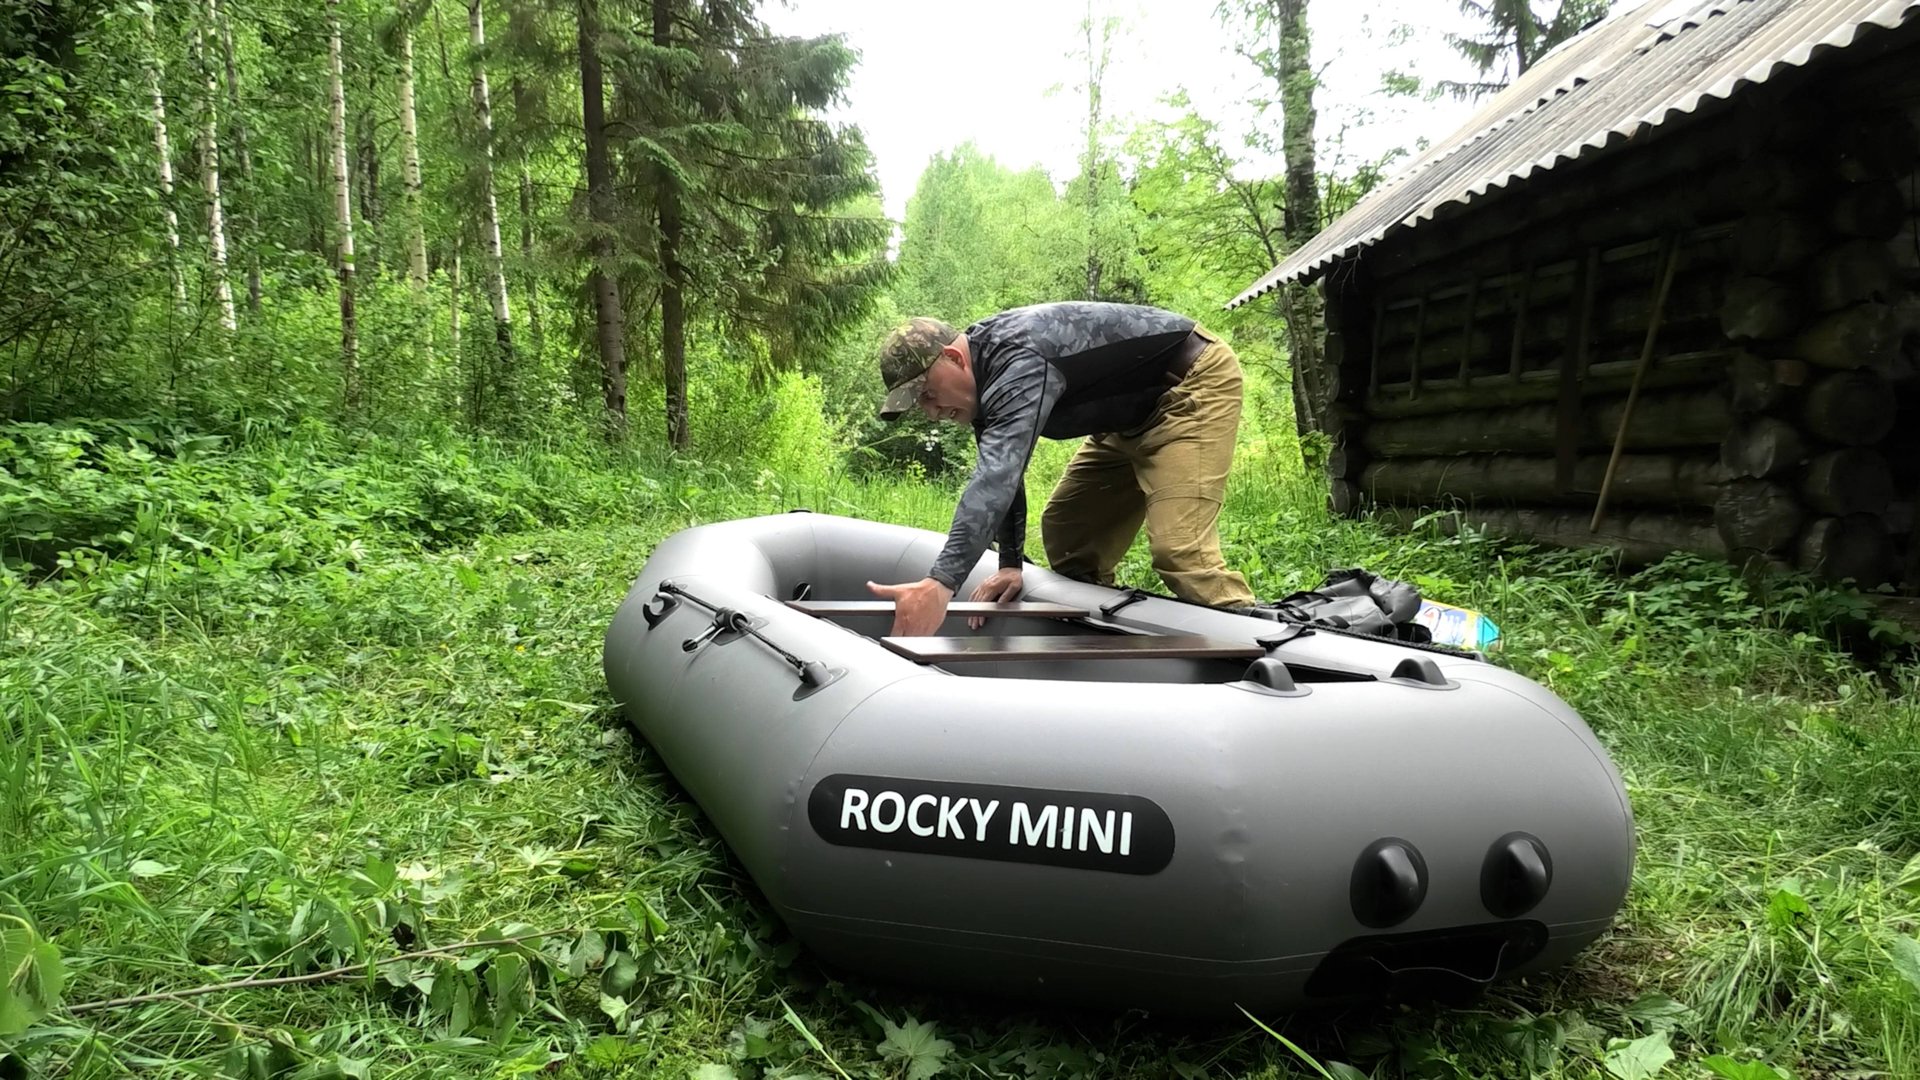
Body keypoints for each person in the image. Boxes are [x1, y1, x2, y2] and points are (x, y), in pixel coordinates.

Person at [866, 301, 1257, 636]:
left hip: (1189, 386)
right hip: (1122, 420)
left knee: (1180, 549)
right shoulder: (984, 383)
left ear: (953, 358)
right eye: (922, 406)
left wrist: (940, 584)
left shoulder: (1017, 359)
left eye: (929, 395)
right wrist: (1009, 565)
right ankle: (1109, 636)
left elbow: (993, 480)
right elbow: (1006, 474)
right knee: (1069, 536)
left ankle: (1260, 637)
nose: (932, 414)